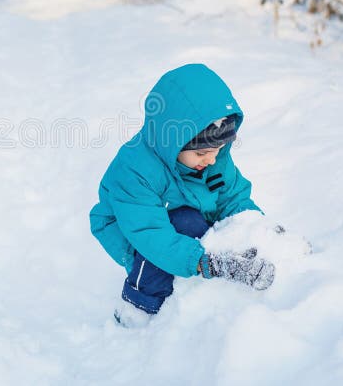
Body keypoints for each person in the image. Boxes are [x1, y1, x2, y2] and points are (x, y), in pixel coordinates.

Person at [89, 63, 274, 327]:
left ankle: (189, 272)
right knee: (181, 230)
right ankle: (139, 305)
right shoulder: (135, 171)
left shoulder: (213, 158)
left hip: (183, 209)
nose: (211, 159)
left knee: (191, 223)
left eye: (219, 148)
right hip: (132, 229)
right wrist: (206, 262)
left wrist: (258, 230)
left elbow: (233, 198)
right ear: (173, 141)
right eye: (201, 153)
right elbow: (151, 234)